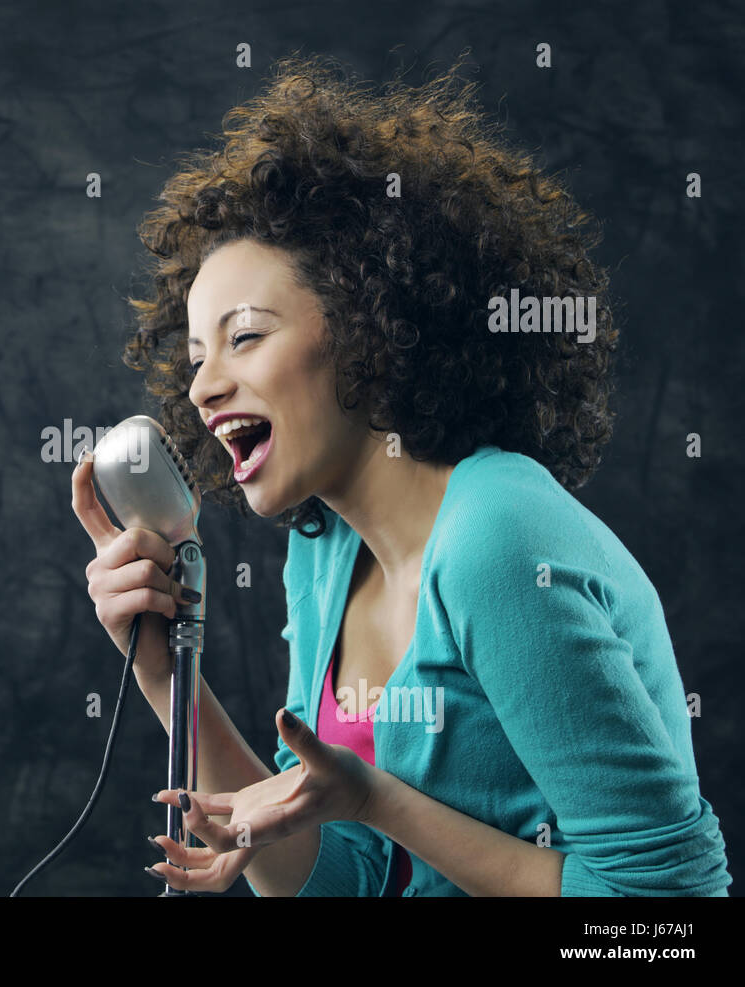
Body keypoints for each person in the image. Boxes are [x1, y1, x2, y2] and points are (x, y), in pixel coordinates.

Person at [70, 53, 731, 896]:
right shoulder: (325, 547)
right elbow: (342, 877)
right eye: (197, 357)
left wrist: (379, 799)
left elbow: (664, 918)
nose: (200, 388)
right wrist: (165, 665)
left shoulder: (497, 539)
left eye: (244, 337)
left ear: (367, 322)